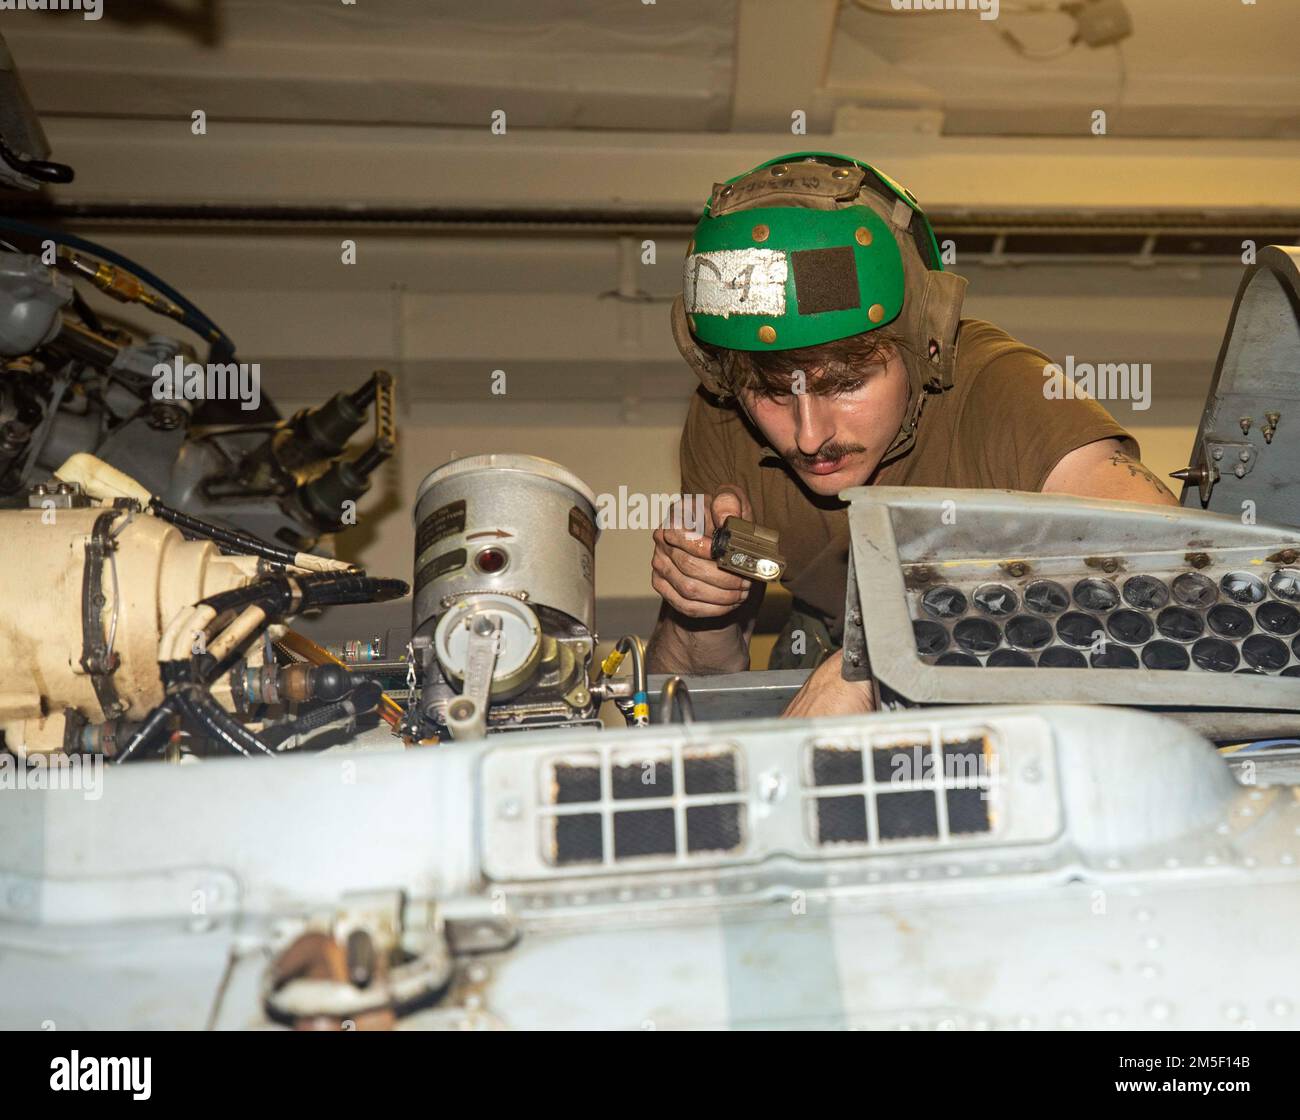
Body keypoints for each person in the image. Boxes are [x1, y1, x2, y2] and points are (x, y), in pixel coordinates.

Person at [644, 151, 1178, 716]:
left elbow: (1171, 564)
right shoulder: (721, 419)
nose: (807, 436)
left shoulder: (1004, 390)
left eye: (846, 383)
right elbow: (687, 707)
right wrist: (702, 610)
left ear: (925, 345)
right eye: (773, 393)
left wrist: (878, 660)